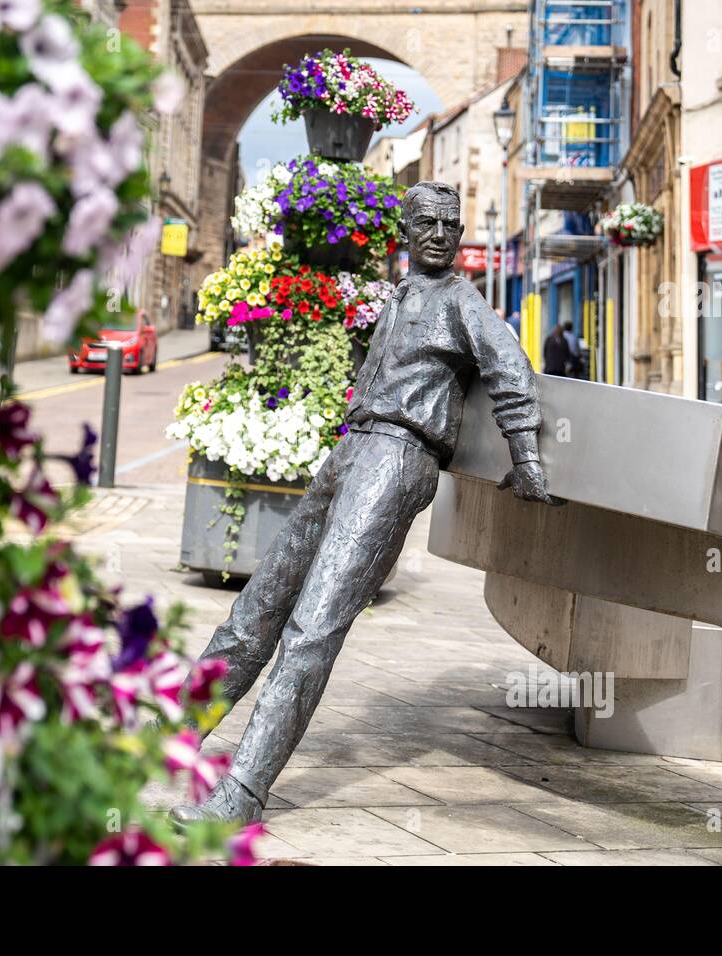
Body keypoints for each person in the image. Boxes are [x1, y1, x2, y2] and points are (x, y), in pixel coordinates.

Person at [170, 182, 557, 825]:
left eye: (450, 226)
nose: (440, 234)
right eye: (427, 223)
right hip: (352, 452)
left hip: (399, 458)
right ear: (405, 231)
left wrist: (528, 458)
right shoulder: (401, 294)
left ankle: (241, 792)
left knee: (313, 624)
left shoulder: (462, 299)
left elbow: (510, 369)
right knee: (257, 605)